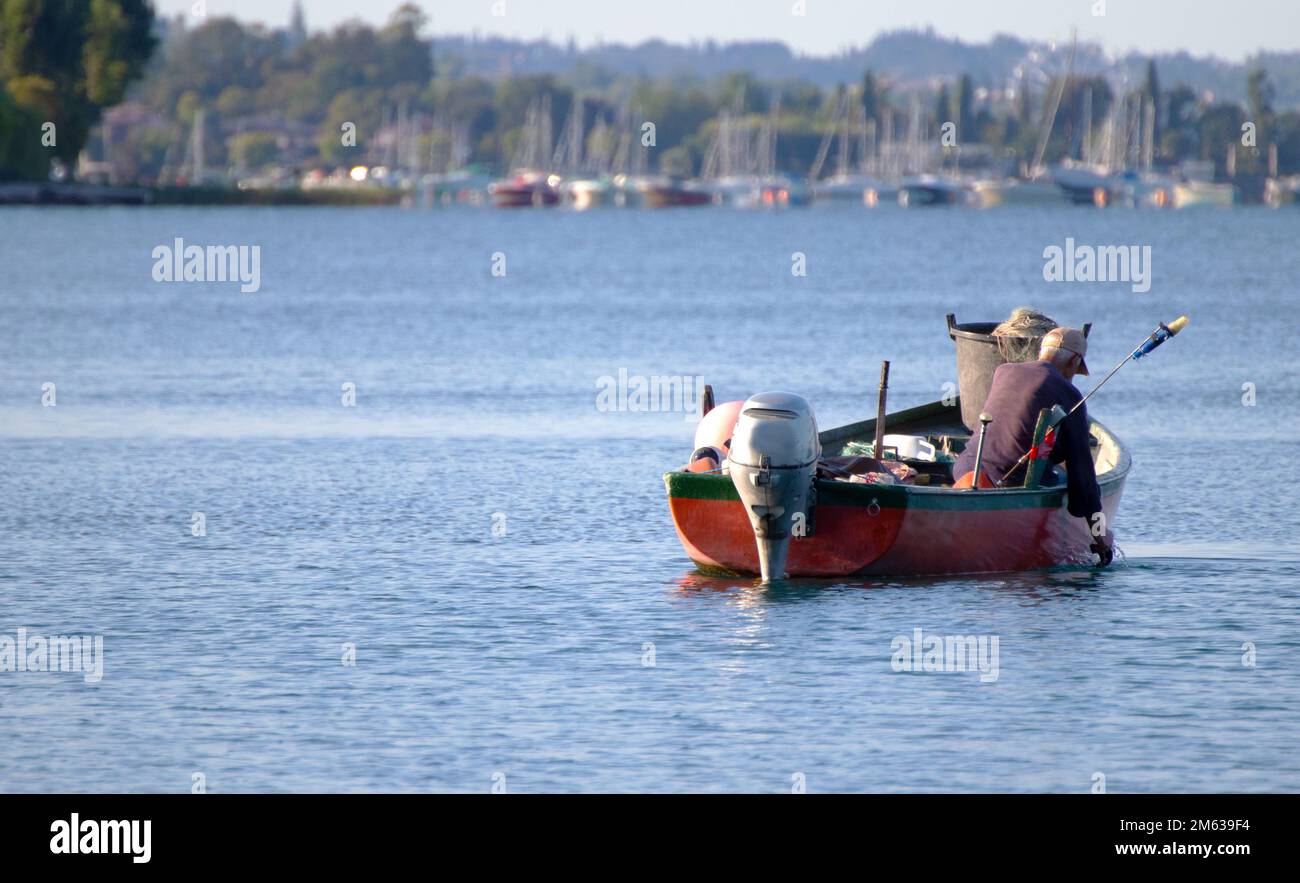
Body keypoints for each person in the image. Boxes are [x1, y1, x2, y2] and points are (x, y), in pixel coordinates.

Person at [952, 326, 1115, 562]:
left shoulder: (1004, 371)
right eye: (1076, 370)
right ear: (1073, 362)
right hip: (1008, 483)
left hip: (964, 469)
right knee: (1063, 478)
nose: (1072, 376)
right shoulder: (1069, 394)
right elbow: (1083, 480)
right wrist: (1100, 534)